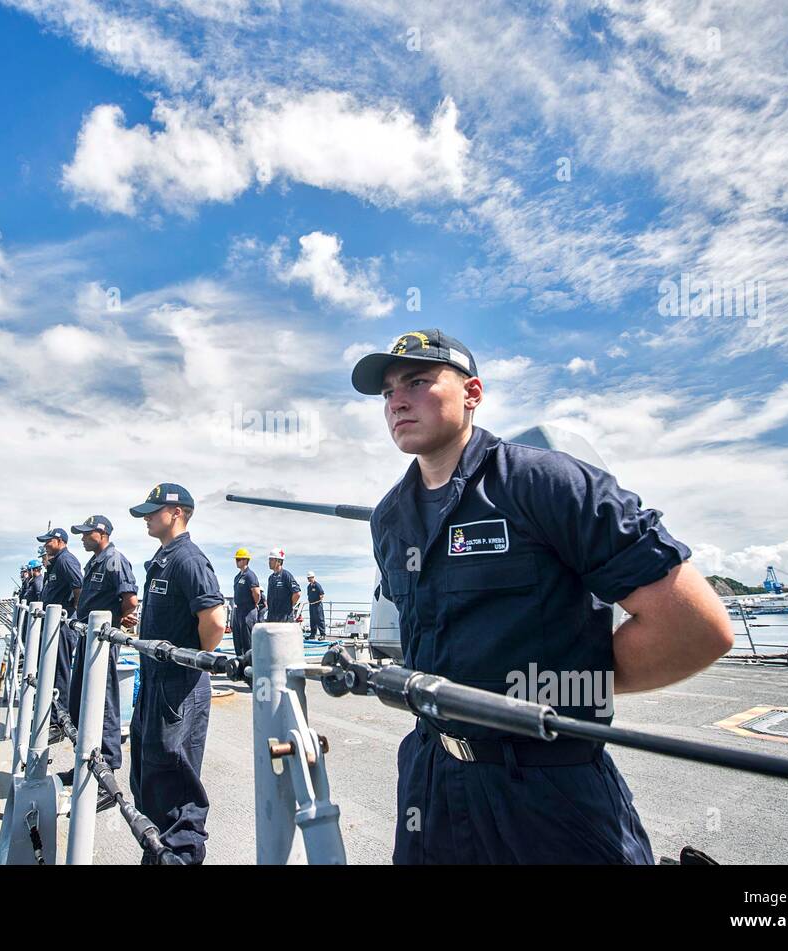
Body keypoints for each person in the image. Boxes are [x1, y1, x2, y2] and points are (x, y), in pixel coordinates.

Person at [351, 328, 733, 865]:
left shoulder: (546, 483)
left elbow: (694, 627)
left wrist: (573, 684)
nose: (397, 401)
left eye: (417, 381)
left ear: (472, 393)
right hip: (429, 777)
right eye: (388, 391)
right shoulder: (390, 519)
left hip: (546, 785)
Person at [126, 483, 224, 864]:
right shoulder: (163, 557)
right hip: (155, 681)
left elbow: (214, 620)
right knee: (150, 767)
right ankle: (158, 850)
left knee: (174, 770)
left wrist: (192, 656)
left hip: (178, 684)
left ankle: (180, 855)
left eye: (153, 510)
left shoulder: (188, 559)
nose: (147, 517)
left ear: (177, 513)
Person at [62, 514, 137, 811]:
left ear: (101, 533)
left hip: (102, 640)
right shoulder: (95, 561)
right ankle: (86, 762)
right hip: (87, 638)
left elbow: (129, 601)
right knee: (81, 701)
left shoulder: (114, 560)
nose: (81, 537)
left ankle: (108, 775)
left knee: (103, 703)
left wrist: (116, 623)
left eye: (86, 533)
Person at [37, 526, 83, 699]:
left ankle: (59, 715)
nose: (45, 545)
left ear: (60, 541)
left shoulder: (65, 560)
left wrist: (75, 610)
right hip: (54, 622)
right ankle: (53, 711)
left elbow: (78, 585)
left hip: (63, 623)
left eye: (48, 541)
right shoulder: (56, 562)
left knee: (60, 669)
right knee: (53, 666)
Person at [230, 547, 261, 656]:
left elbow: (256, 593)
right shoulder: (237, 577)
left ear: (245, 560)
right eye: (236, 559)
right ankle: (240, 665)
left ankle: (250, 667)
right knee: (238, 640)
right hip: (238, 611)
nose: (236, 562)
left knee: (248, 640)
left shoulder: (250, 575)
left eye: (238, 559)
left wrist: (253, 605)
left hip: (248, 611)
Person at [264, 548, 300, 623]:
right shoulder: (271, 578)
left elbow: (297, 593)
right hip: (272, 617)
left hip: (284, 618)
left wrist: (288, 607)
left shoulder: (286, 575)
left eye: (271, 560)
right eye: (269, 559)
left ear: (279, 561)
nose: (269, 562)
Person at [305, 571, 326, 637]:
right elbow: (309, 595)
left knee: (319, 619)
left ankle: (322, 634)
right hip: (311, 605)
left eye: (310, 578)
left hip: (317, 605)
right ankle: (313, 634)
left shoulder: (317, 585)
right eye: (308, 578)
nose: (308, 579)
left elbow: (321, 594)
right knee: (312, 620)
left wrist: (318, 601)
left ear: (313, 577)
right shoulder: (309, 586)